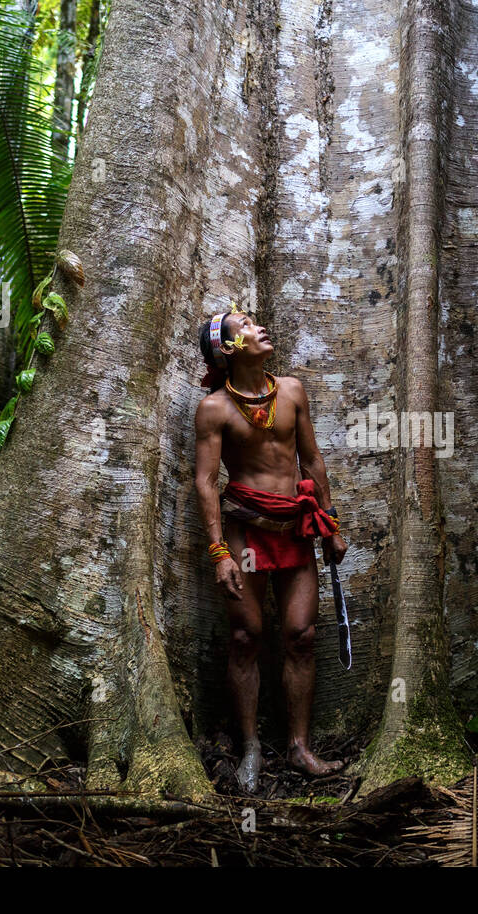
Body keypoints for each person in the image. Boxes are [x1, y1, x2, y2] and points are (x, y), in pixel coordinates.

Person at [193, 307, 348, 794]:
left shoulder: (293, 391)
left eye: (255, 321)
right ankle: (252, 748)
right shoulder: (214, 409)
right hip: (244, 532)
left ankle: (300, 748)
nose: (259, 328)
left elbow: (313, 459)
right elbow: (204, 482)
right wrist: (219, 553)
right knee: (246, 636)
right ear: (228, 349)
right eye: (245, 327)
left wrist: (331, 526)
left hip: (295, 529)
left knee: (301, 634)